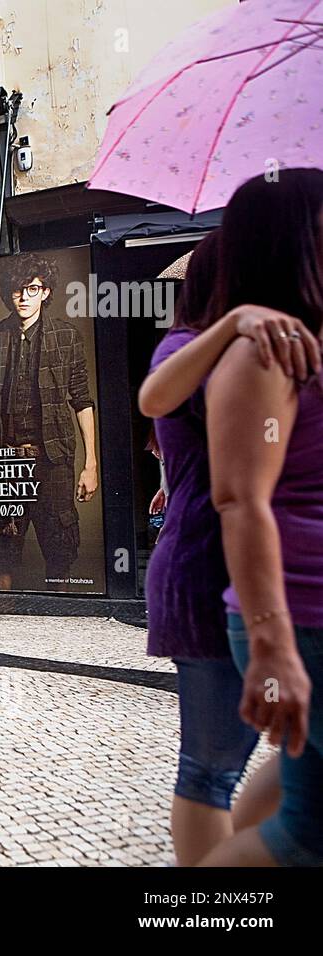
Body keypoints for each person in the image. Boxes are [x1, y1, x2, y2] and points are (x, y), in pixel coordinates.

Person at [138, 230, 321, 865]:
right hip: (204, 569)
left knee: (295, 750)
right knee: (210, 767)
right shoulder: (195, 346)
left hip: (248, 570)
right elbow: (161, 399)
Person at [197, 170, 323, 867]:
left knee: (302, 824)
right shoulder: (262, 353)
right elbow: (240, 499)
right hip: (300, 612)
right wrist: (274, 649)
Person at [0, 253, 98, 588]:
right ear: (8, 294)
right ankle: (3, 615)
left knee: (60, 541)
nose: (24, 297)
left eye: (32, 289)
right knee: (2, 541)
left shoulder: (66, 336)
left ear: (45, 292)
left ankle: (57, 614)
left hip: (52, 456)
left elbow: (82, 401)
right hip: (6, 457)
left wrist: (91, 463)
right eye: (17, 290)